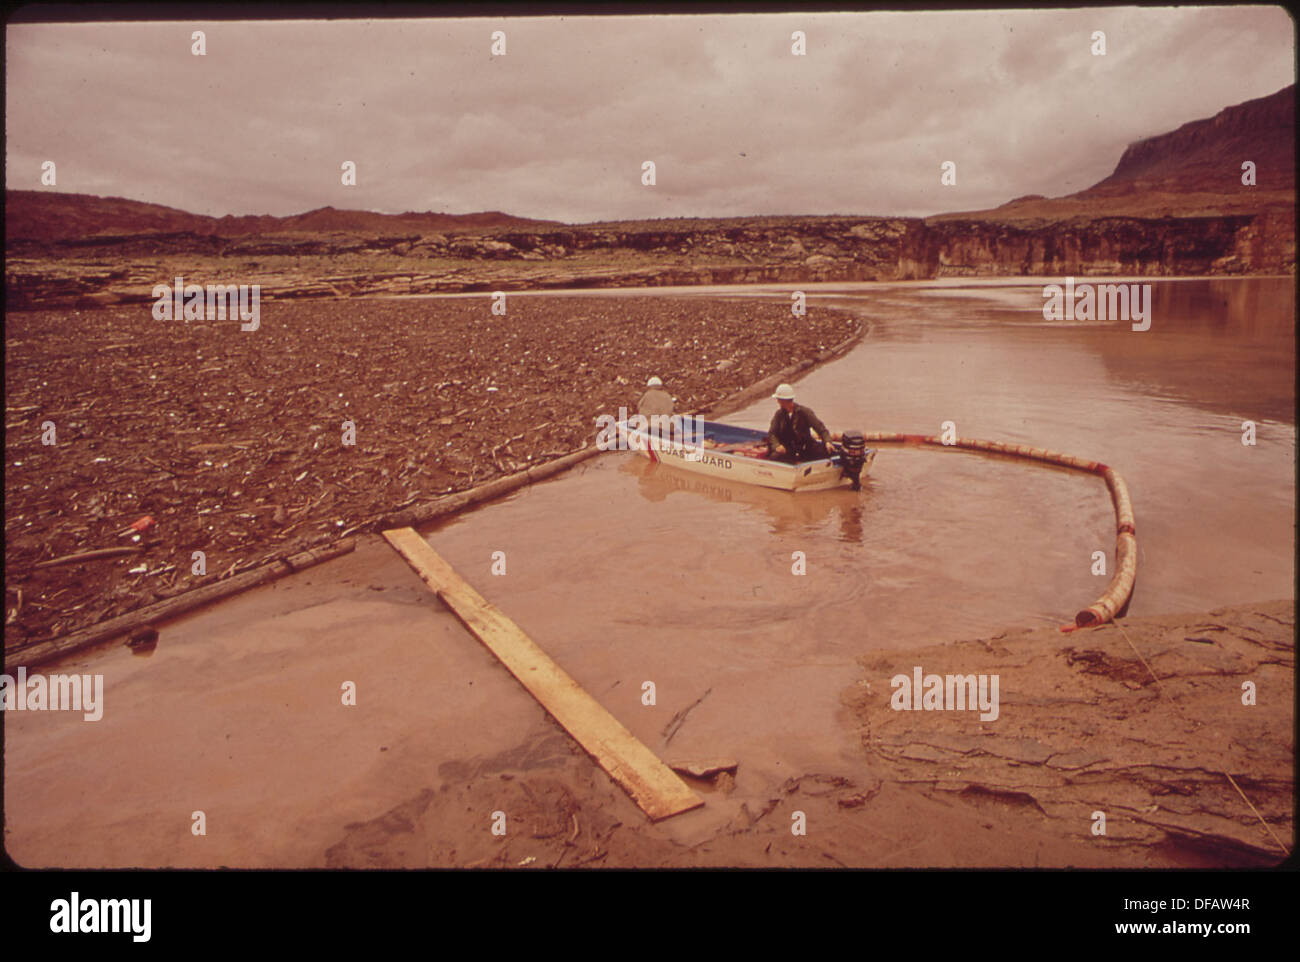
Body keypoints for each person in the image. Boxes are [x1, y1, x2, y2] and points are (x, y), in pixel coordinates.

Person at [766, 384, 834, 462]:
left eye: (778, 399)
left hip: (805, 447)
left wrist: (828, 442)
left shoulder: (805, 412)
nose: (777, 402)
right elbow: (772, 434)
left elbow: (821, 429)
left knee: (826, 451)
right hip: (788, 448)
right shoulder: (779, 414)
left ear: (783, 400)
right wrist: (777, 446)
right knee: (775, 457)